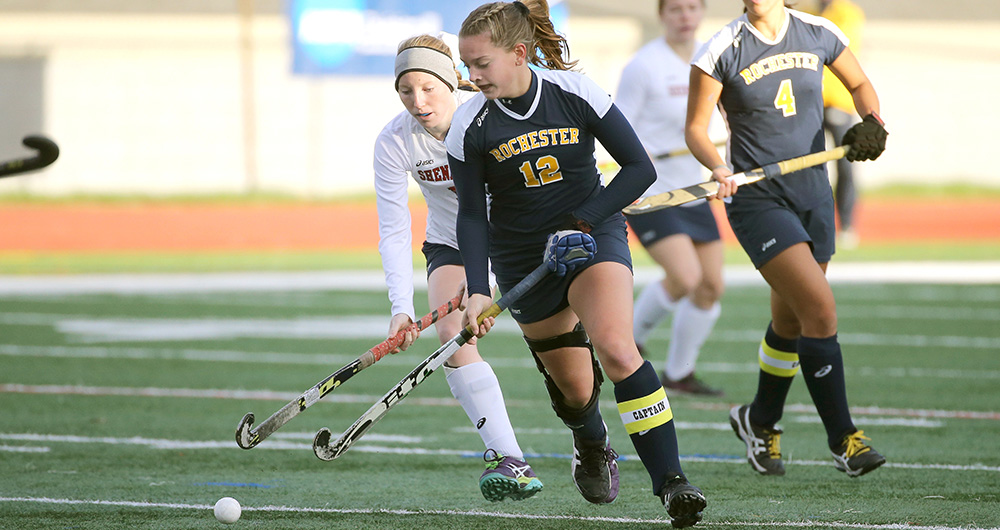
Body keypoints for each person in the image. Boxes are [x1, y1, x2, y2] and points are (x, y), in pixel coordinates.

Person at [446, 1, 707, 526]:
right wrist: (476, 289)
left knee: (617, 348)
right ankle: (591, 441)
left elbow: (639, 168)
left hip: (591, 237)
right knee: (576, 390)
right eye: (467, 65)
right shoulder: (468, 126)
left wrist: (583, 219)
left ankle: (672, 484)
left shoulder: (575, 92)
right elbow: (471, 215)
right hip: (522, 257)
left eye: (481, 64)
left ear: (519, 54)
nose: (472, 76)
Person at [686, 0, 887, 478]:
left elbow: (859, 85)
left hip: (813, 193)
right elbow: (695, 128)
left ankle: (759, 420)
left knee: (792, 319)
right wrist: (718, 167)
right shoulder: (720, 49)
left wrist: (872, 122)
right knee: (820, 310)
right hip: (757, 199)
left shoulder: (818, 32)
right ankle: (844, 439)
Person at [373, 33, 543, 502]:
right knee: (452, 334)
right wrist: (401, 308)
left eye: (428, 88)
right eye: (406, 90)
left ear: (451, 82)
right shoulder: (394, 140)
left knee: (554, 348)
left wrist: (484, 277)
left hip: (518, 235)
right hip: (451, 241)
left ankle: (589, 442)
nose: (418, 102)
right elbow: (394, 229)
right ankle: (510, 458)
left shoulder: (490, 117)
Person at [615, 0, 725, 397]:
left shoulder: (710, 60)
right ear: (662, 14)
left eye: (693, 7)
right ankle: (627, 340)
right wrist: (641, 154)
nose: (685, 16)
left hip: (693, 189)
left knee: (710, 286)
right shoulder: (643, 66)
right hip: (651, 192)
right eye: (676, 9)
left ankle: (679, 373)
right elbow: (617, 126)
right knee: (685, 277)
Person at [818, 0, 867, 249]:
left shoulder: (847, 13)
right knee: (809, 166)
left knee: (845, 166)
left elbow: (836, 49)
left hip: (839, 101)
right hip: (811, 103)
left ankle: (847, 225)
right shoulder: (806, 13)